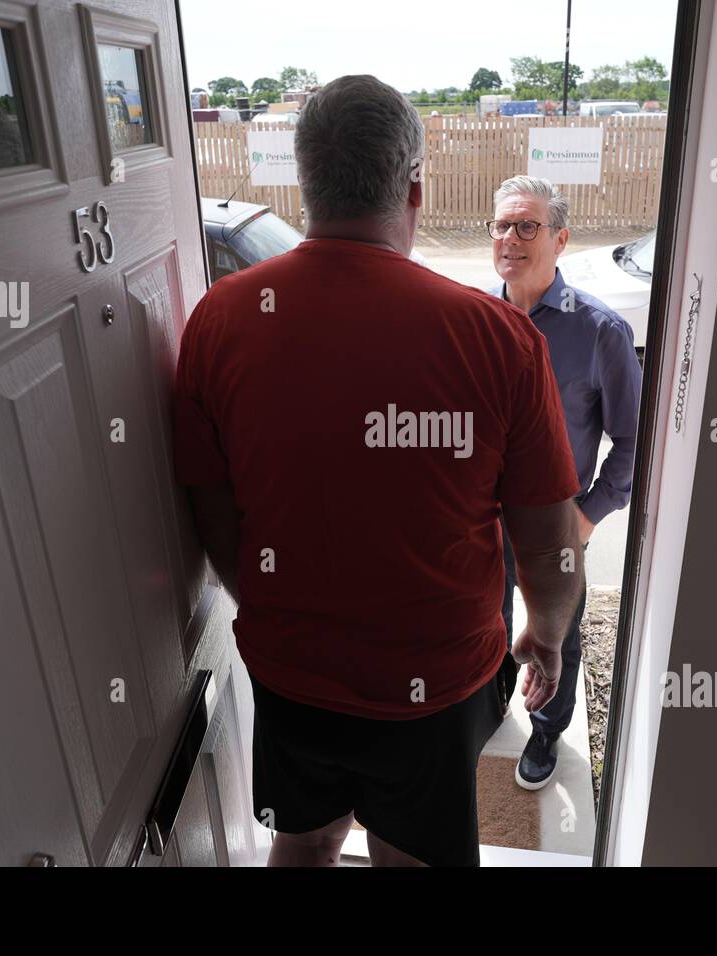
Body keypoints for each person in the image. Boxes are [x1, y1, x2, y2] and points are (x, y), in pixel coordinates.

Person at [172, 76, 585, 867]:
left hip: (291, 672)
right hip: (432, 687)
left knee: (304, 841)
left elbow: (212, 507)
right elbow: (546, 540)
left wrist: (267, 600)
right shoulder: (496, 339)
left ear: (305, 183)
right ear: (416, 188)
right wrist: (548, 632)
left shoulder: (221, 320)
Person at [486, 175, 643, 791]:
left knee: (557, 632)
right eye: (501, 225)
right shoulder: (475, 320)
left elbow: (632, 442)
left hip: (557, 520)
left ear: (561, 238)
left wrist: (586, 516)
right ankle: (491, 704)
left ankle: (547, 732)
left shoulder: (600, 332)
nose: (511, 239)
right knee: (487, 620)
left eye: (528, 226)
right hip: (479, 517)